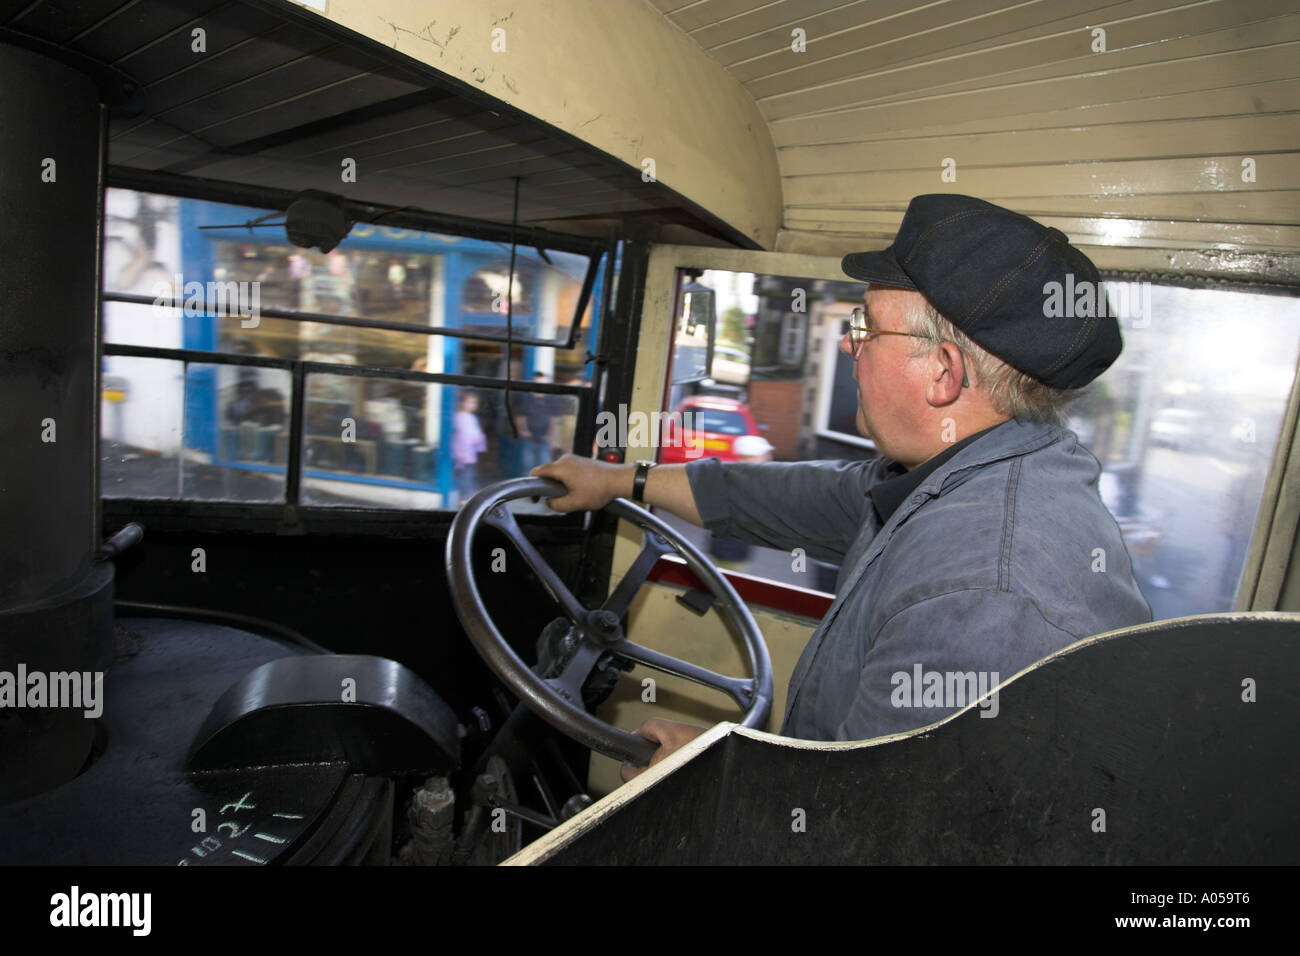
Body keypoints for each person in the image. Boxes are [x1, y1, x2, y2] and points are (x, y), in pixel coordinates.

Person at [534, 194, 1152, 781]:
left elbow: (867, 819)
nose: (849, 342)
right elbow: (791, 498)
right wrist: (620, 480)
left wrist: (714, 769)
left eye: (868, 327)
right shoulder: (956, 475)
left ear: (942, 372)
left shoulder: (986, 596)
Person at [452, 391, 487, 506]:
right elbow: (463, 438)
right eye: (470, 402)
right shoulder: (460, 417)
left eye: (475, 402)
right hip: (463, 454)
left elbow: (475, 435)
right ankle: (464, 498)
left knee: (469, 475)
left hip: (470, 453)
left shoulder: (471, 417)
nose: (473, 405)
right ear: (462, 403)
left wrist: (479, 445)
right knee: (465, 476)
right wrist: (463, 455)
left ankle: (468, 495)